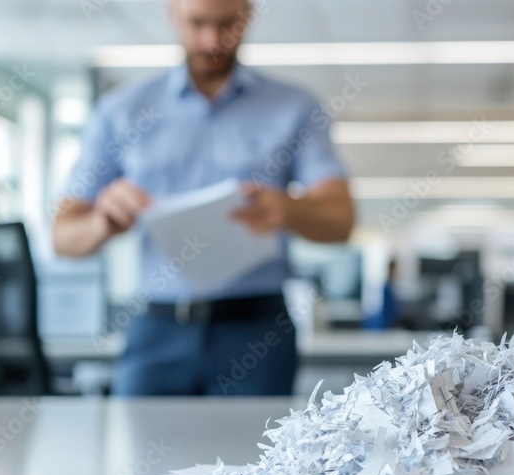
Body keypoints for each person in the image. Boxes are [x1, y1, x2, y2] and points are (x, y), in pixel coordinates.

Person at [52, 0, 354, 396]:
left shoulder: (295, 108)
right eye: (198, 23)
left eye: (226, 24)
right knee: (140, 456)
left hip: (257, 331)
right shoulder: (120, 111)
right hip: (156, 330)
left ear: (248, 14)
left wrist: (286, 207)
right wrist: (102, 221)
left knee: (257, 456)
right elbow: (62, 236)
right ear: (172, 14)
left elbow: (340, 220)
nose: (212, 39)